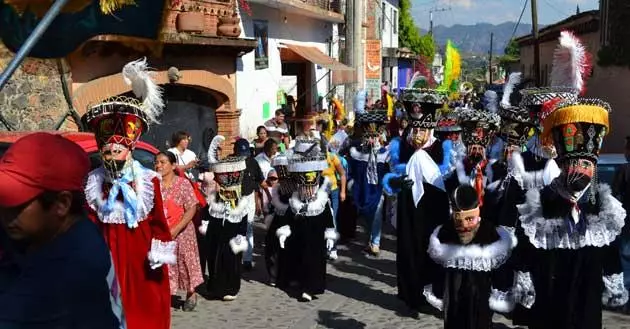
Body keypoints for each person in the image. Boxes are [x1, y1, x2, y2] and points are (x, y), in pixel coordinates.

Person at [508, 33, 628, 328]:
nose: (580, 169)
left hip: (587, 305)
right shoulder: (542, 202)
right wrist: (524, 282)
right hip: (549, 303)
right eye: (573, 162)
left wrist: (614, 283)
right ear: (562, 165)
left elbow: (611, 252)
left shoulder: (603, 205)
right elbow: (525, 250)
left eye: (586, 164)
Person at [82, 58, 175, 329]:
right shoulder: (93, 182)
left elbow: (159, 221)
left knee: (143, 307)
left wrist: (160, 252)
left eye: (118, 150)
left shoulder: (148, 181)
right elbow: (90, 222)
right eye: (108, 151)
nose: (112, 155)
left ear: (130, 149)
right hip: (107, 254)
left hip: (141, 254)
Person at [0, 132, 123, 329]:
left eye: (15, 203)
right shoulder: (42, 234)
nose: (4, 211)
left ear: (62, 204)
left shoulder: (69, 270)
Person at [384, 88, 451, 313]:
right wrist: (398, 180)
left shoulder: (441, 147)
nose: (419, 134)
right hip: (408, 207)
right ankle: (410, 293)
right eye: (415, 128)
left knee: (432, 248)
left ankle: (434, 293)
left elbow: (445, 175)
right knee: (408, 247)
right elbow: (390, 175)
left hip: (433, 207)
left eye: (423, 128)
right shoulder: (400, 145)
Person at [428, 185, 517, 329]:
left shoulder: (488, 232)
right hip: (460, 294)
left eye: (469, 219)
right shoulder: (448, 232)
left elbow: (499, 272)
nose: (464, 226)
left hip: (474, 293)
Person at [283, 137, 337, 301]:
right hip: (301, 220)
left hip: (317, 222)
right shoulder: (295, 196)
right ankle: (302, 284)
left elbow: (328, 215)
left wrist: (329, 233)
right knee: (301, 255)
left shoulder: (321, 197)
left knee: (316, 257)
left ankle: (312, 288)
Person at [199, 136, 250, 301]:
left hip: (233, 220)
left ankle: (230, 288)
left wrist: (242, 232)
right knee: (214, 255)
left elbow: (243, 216)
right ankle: (215, 287)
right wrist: (206, 222)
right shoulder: (215, 199)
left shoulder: (240, 200)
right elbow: (208, 211)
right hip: (216, 223)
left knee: (231, 256)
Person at [155, 151, 202, 311]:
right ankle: (165, 294)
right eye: (157, 162)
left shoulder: (183, 184)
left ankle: (191, 292)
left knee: (186, 262)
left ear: (173, 165)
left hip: (183, 231)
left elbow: (191, 208)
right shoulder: (154, 184)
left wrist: (176, 228)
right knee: (164, 264)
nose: (158, 165)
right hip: (163, 232)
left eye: (163, 162)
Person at [348, 109, 389, 257]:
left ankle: (375, 243)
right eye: (369, 136)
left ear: (378, 136)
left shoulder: (385, 153)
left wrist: (388, 185)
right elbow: (352, 170)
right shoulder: (357, 153)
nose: (371, 139)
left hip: (378, 189)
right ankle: (371, 240)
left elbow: (388, 172)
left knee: (377, 214)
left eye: (374, 136)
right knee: (367, 216)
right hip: (363, 189)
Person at [233, 138, 264, 271]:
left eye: (245, 155)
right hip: (233, 199)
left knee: (249, 228)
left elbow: (259, 182)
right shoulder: (230, 162)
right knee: (234, 229)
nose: (243, 157)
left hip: (249, 197)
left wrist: (259, 202)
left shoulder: (252, 162)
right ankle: (234, 257)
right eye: (241, 154)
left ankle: (247, 259)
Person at [613, 136, 630, 300]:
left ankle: (626, 299)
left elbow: (614, 197)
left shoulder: (624, 170)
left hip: (627, 223)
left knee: (626, 259)